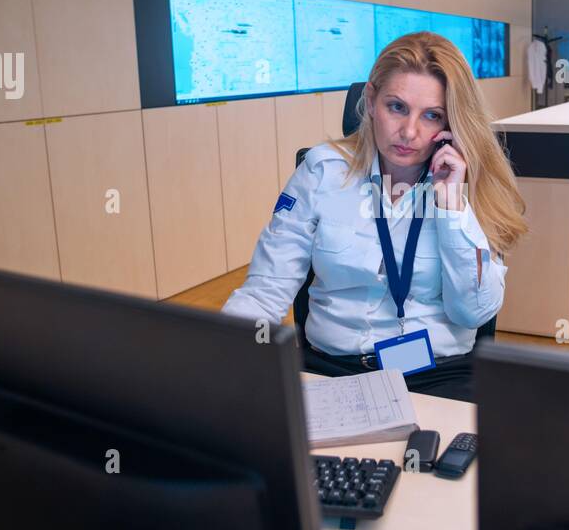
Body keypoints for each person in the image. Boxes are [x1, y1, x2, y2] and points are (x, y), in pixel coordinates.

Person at [222, 32, 527, 401]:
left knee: (433, 460)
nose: (409, 132)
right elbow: (264, 293)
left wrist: (451, 205)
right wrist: (220, 358)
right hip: (329, 372)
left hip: (438, 378)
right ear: (370, 100)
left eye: (432, 116)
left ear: (452, 123)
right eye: (396, 107)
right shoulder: (322, 172)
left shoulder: (468, 182)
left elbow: (473, 313)